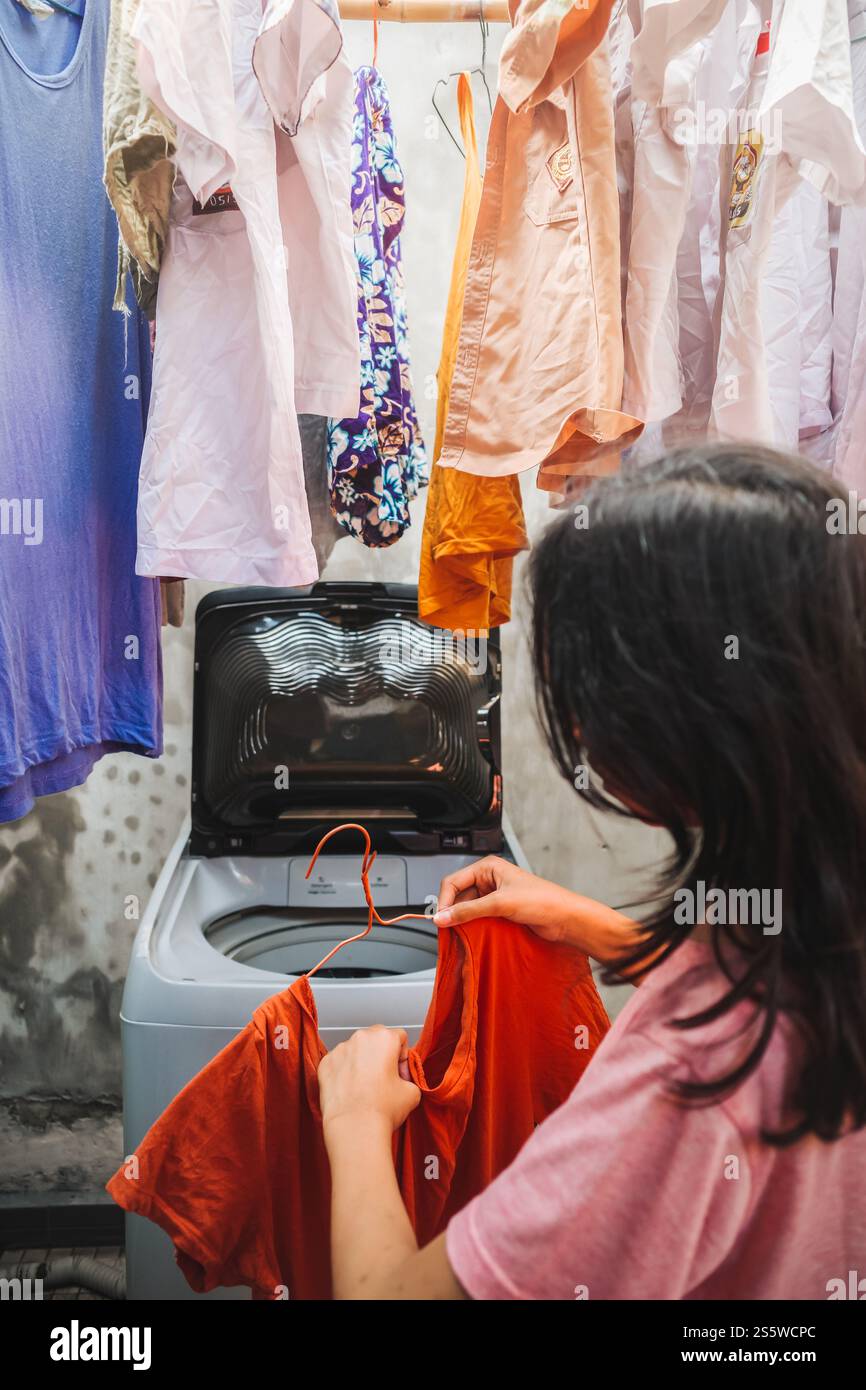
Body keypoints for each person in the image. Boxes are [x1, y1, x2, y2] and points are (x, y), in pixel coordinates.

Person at [317, 445, 866, 1300]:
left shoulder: (685, 1082)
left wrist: (351, 1121)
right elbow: (795, 977)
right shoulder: (823, 925)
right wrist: (603, 928)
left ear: (662, 724)